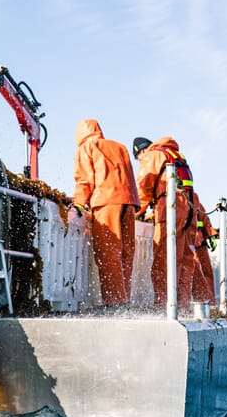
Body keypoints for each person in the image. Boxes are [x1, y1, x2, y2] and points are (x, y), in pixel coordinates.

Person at [72, 120, 139, 306]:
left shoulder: (87, 147)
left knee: (108, 253)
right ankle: (124, 301)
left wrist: (78, 204)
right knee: (126, 254)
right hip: (129, 204)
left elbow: (84, 181)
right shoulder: (120, 147)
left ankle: (114, 303)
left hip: (106, 203)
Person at [133, 136, 195, 309]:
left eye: (138, 158)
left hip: (170, 208)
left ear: (141, 151)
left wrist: (135, 212)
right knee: (182, 261)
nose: (140, 161)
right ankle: (182, 306)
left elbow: (144, 187)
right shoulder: (175, 154)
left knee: (163, 259)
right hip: (188, 210)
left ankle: (163, 306)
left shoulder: (152, 155)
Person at [190, 192, 217, 304]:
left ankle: (209, 303)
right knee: (197, 274)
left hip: (200, 242)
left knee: (206, 273)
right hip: (189, 243)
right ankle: (203, 303)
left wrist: (211, 236)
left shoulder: (194, 199)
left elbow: (204, 218)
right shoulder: (177, 199)